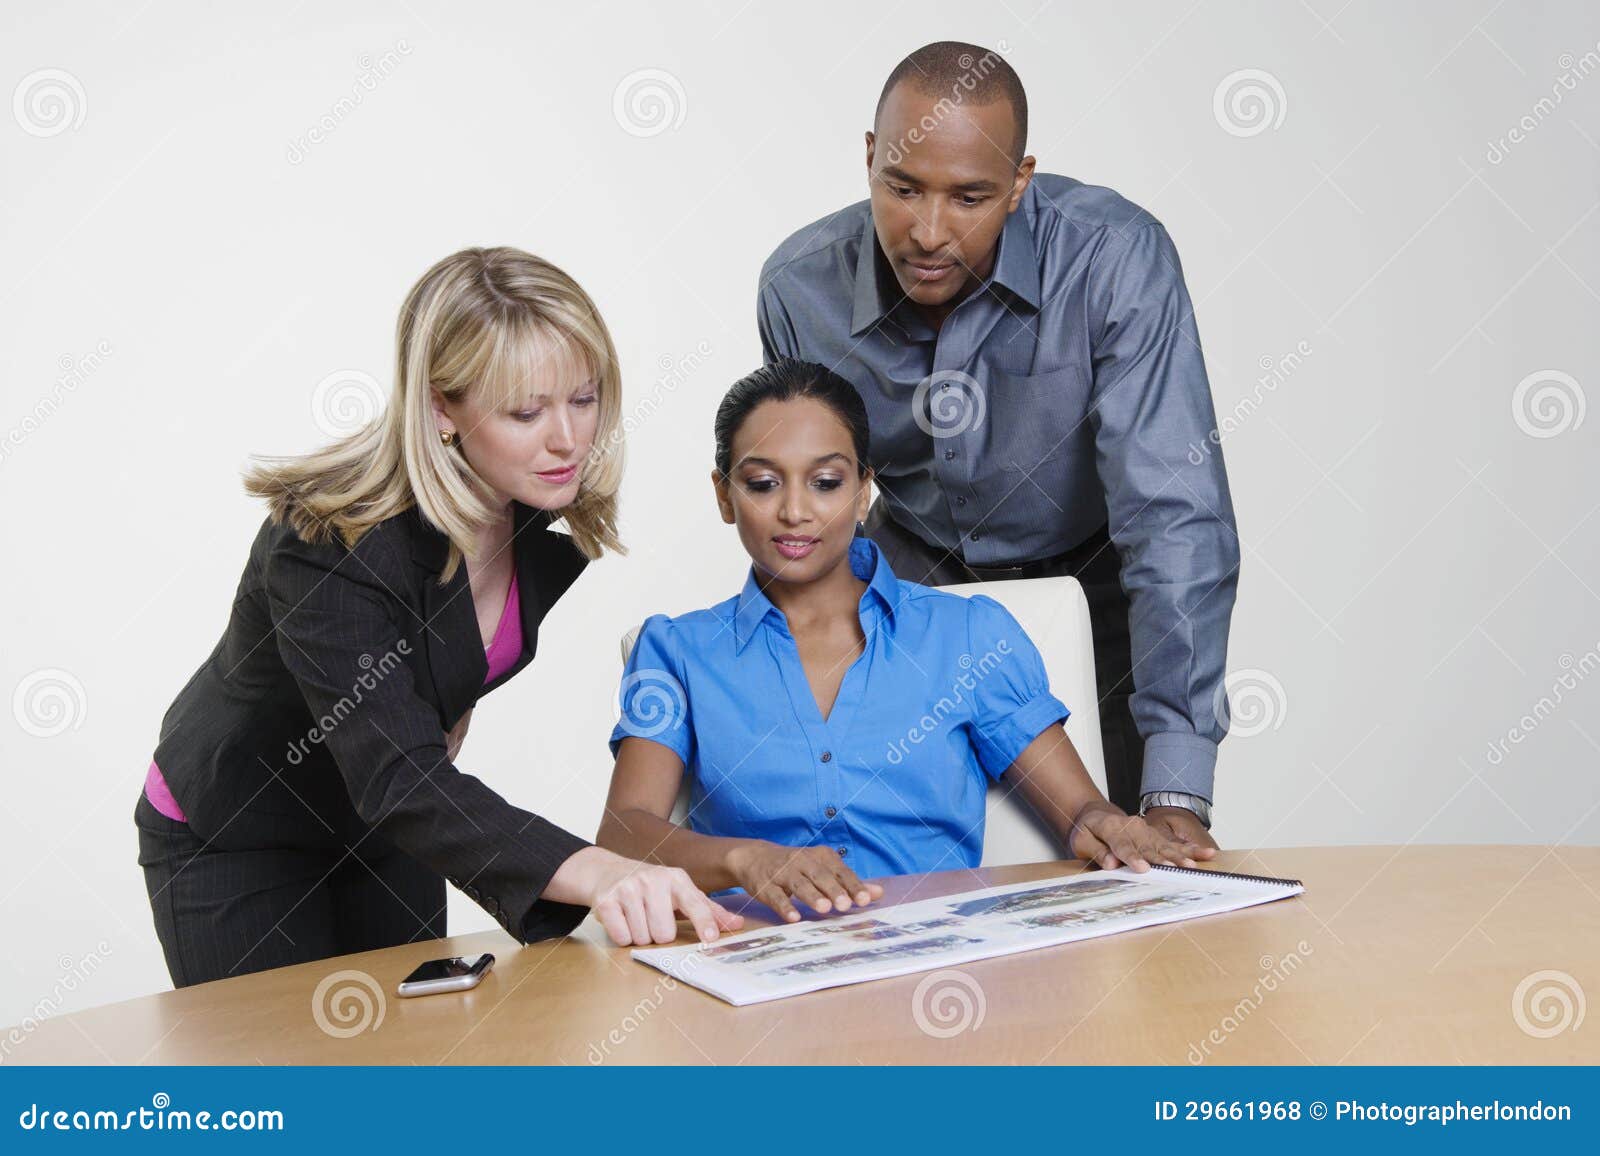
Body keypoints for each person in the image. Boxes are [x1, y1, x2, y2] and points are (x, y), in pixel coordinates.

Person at [135, 247, 742, 987]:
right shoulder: (325, 540)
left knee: (411, 1061)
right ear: (440, 408)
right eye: (527, 410)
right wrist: (600, 871)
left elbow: (421, 713)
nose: (568, 439)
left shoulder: (527, 514)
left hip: (387, 823)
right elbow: (398, 772)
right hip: (239, 829)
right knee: (290, 1088)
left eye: (582, 399)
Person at [756, 42, 1240, 846]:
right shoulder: (798, 289)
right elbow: (808, 509)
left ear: (1020, 182)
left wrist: (1178, 791)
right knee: (899, 878)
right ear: (870, 157)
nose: (928, 232)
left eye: (971, 196)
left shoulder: (1113, 258)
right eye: (901, 187)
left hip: (1098, 587)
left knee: (1139, 875)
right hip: (914, 596)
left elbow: (1172, 516)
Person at [597, 359, 1214, 923]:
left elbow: (1081, 813)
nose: (794, 511)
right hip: (755, 972)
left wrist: (1115, 827)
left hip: (940, 970)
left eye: (826, 482)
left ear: (863, 490)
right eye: (762, 484)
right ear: (724, 495)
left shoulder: (968, 636)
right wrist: (746, 861)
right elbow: (623, 833)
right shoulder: (678, 652)